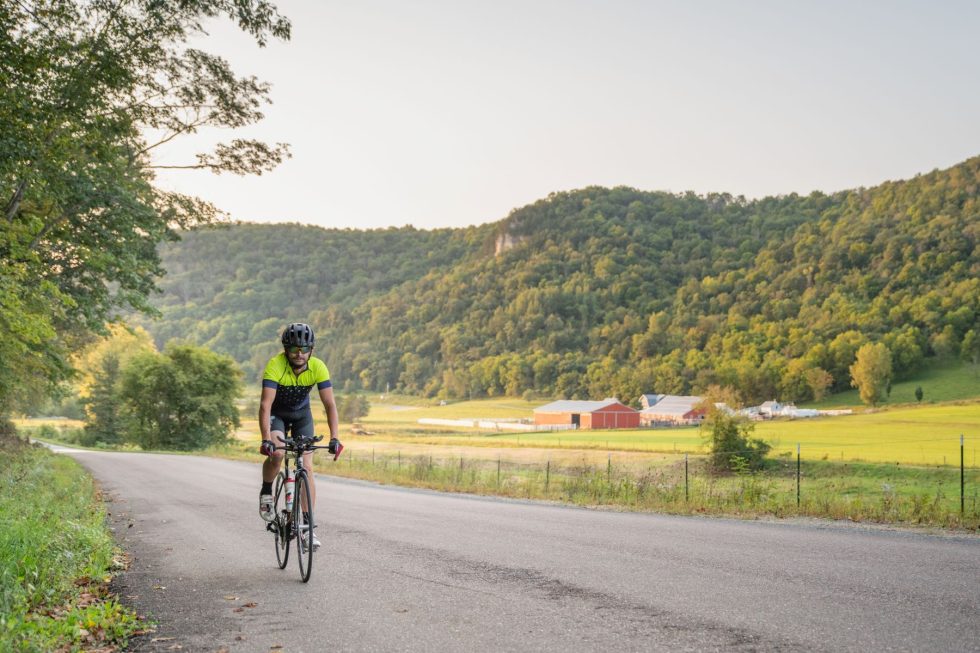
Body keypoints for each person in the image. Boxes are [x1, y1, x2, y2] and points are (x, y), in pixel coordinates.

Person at [257, 322, 340, 549]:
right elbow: (265, 405)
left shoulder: (318, 367)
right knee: (278, 453)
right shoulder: (275, 365)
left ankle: (307, 528)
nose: (299, 354)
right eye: (294, 349)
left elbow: (330, 405)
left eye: (304, 349)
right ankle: (266, 491)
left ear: (311, 349)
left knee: (307, 467)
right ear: (286, 349)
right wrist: (266, 439)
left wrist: (335, 437)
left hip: (303, 417)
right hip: (278, 415)